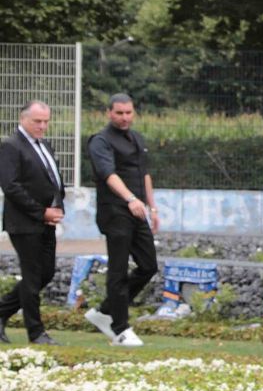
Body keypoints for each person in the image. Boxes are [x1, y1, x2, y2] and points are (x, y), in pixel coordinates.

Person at [83, 94, 159, 347]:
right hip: (115, 212)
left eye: (128, 112)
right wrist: (130, 199)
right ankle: (120, 329)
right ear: (109, 113)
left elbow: (144, 173)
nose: (125, 117)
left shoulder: (136, 138)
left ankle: (105, 311)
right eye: (119, 113)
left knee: (149, 265)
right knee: (118, 268)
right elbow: (108, 174)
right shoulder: (100, 141)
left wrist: (152, 207)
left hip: (137, 212)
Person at [0, 101, 66, 346]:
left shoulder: (44, 145)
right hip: (24, 222)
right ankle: (36, 332)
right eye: (37, 121)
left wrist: (58, 205)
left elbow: (52, 178)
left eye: (46, 121)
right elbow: (11, 186)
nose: (42, 126)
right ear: (23, 119)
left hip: (47, 221)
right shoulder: (11, 146)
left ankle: (2, 311)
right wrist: (41, 212)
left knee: (45, 273)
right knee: (31, 276)